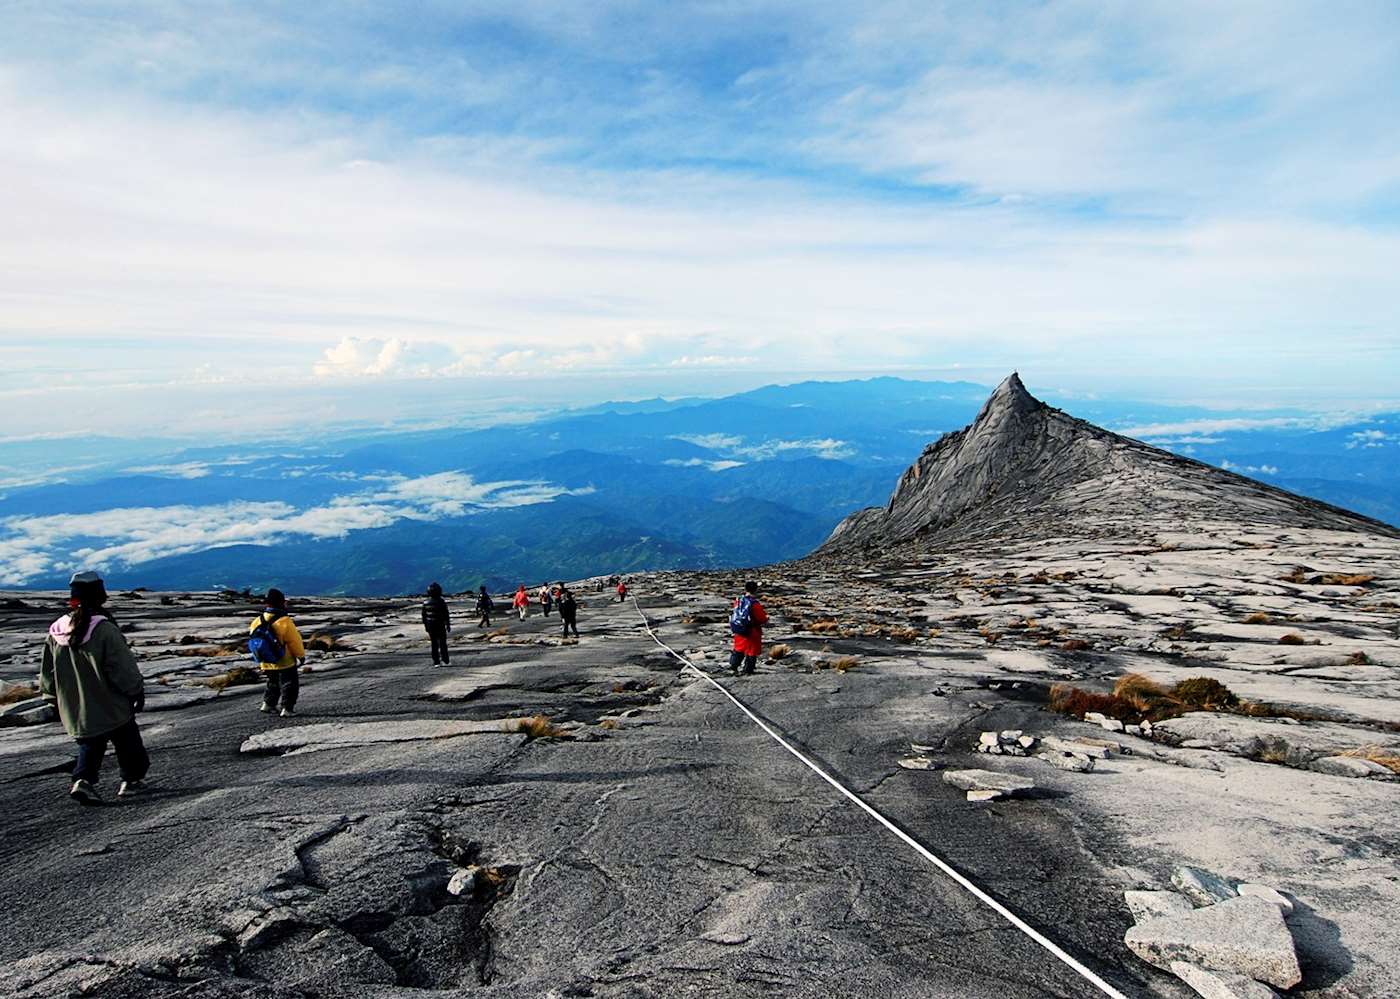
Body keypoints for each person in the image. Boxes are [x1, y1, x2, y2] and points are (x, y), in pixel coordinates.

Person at [40, 571, 149, 805]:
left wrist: (51, 698)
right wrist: (135, 689)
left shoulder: (57, 630)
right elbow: (121, 666)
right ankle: (131, 781)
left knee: (91, 744)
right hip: (110, 701)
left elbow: (47, 672)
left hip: (75, 704)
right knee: (129, 743)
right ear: (100, 594)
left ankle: (82, 781)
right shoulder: (103, 629)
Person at [249, 588, 306, 717]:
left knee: (272, 682)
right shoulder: (284, 621)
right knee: (289, 684)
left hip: (266, 660)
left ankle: (268, 704)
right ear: (281, 603)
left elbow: (254, 640)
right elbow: (294, 641)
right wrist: (300, 656)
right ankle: (287, 709)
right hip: (284, 659)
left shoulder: (257, 621)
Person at [728, 580, 768, 677]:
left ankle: (733, 666)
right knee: (751, 651)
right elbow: (761, 618)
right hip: (751, 631)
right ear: (755, 590)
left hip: (739, 628)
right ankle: (748, 670)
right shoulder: (754, 604)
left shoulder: (739, 600)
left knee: (738, 648)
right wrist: (766, 618)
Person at [422, 582, 451, 667]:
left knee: (434, 644)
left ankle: (436, 662)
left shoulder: (425, 602)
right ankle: (445, 661)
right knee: (442, 643)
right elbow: (446, 614)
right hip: (440, 624)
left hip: (430, 625)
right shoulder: (441, 601)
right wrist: (448, 624)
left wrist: (426, 626)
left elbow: (424, 616)